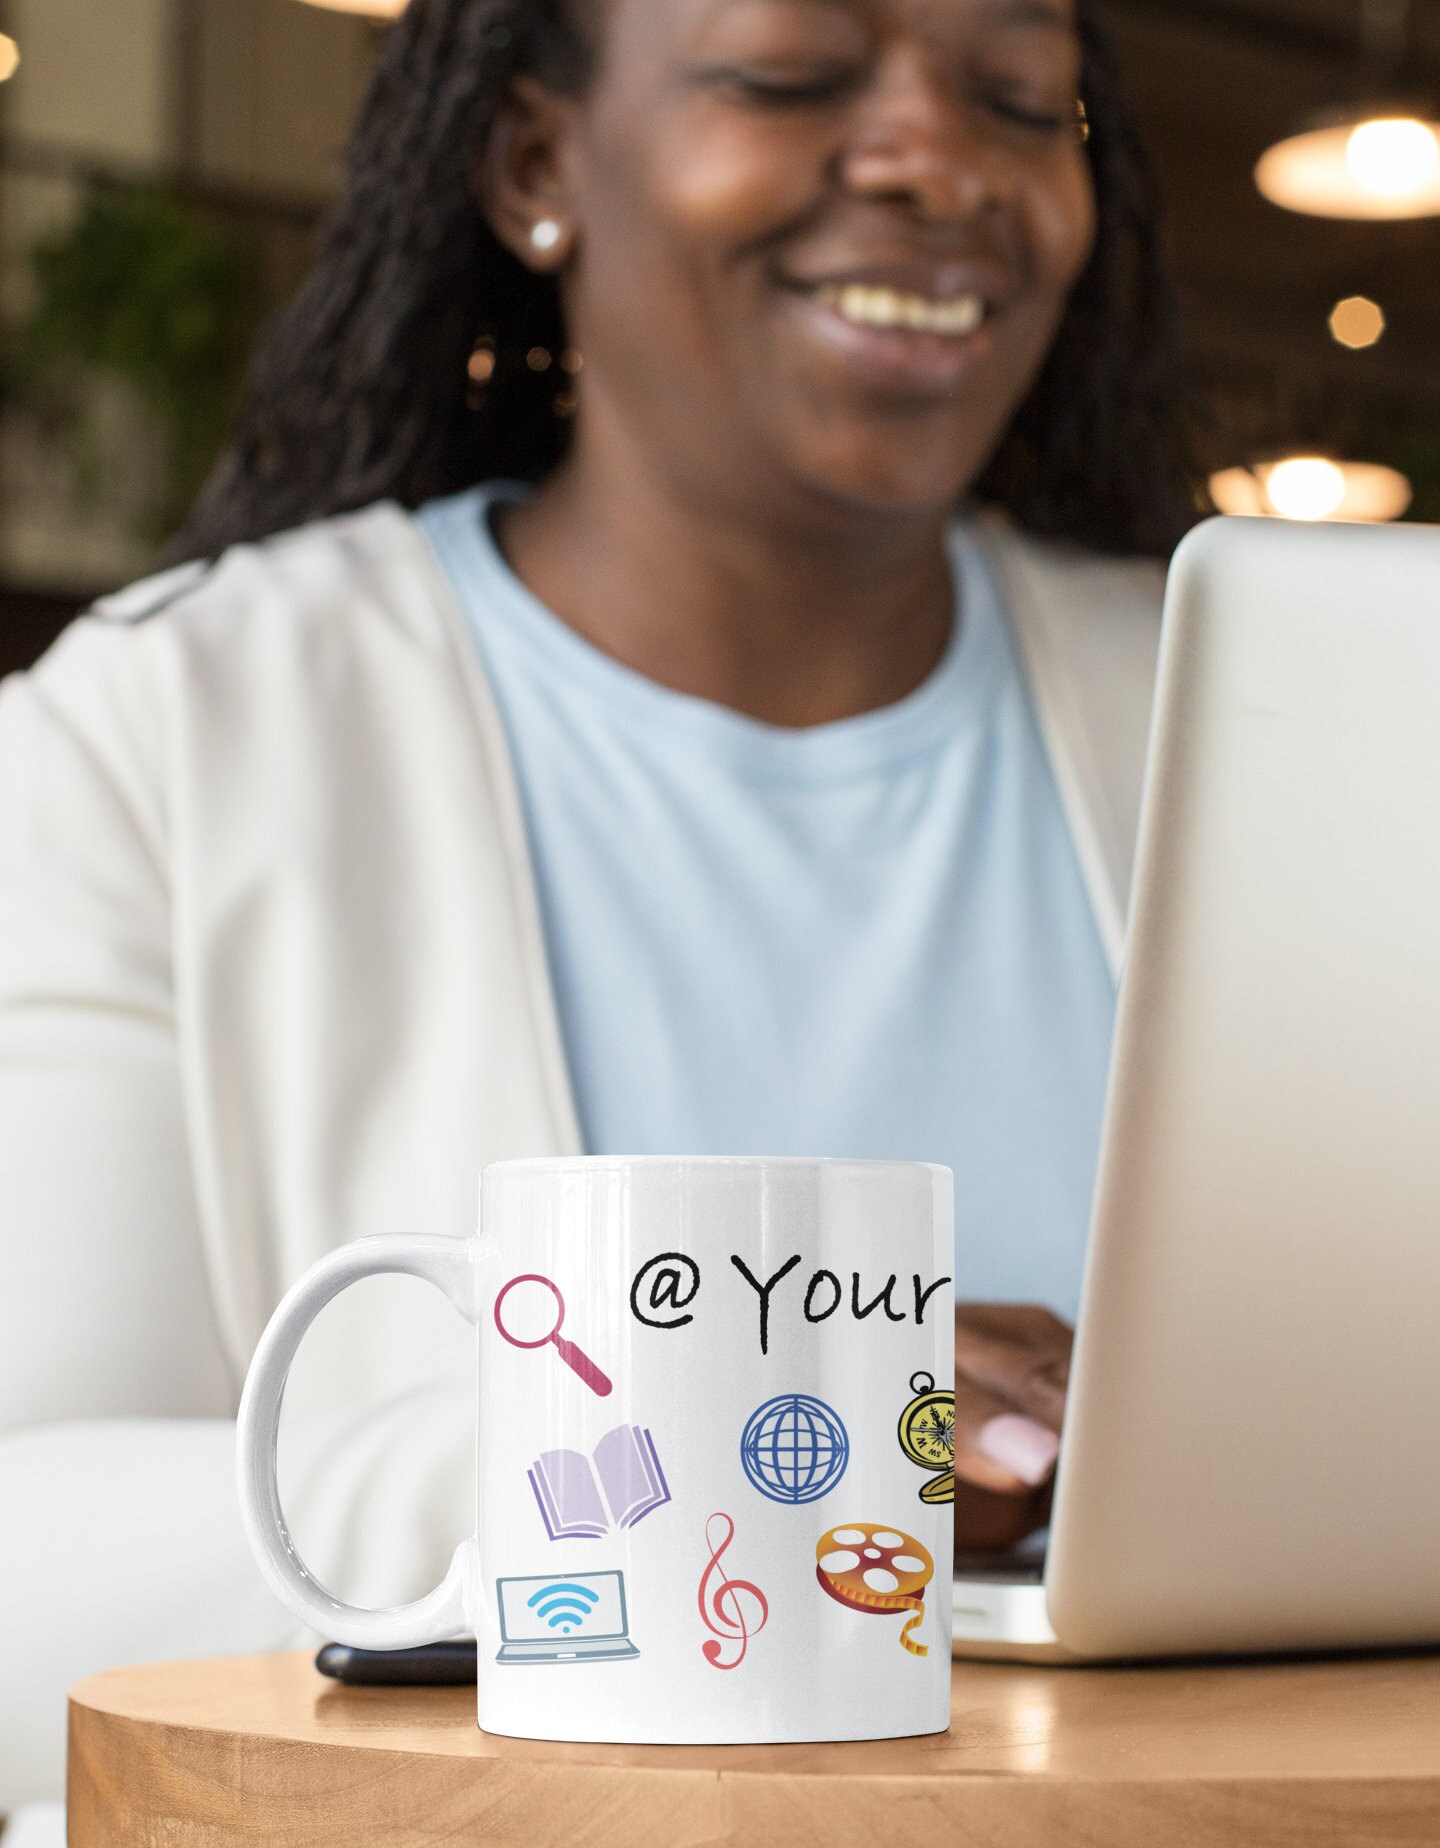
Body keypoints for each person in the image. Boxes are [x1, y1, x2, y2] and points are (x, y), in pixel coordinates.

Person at [0, 0, 1194, 1817]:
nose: (943, 161)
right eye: (793, 70)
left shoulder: (1236, 708)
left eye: (1021, 98)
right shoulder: (162, 735)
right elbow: (30, 1562)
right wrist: (695, 1427)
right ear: (538, 161)